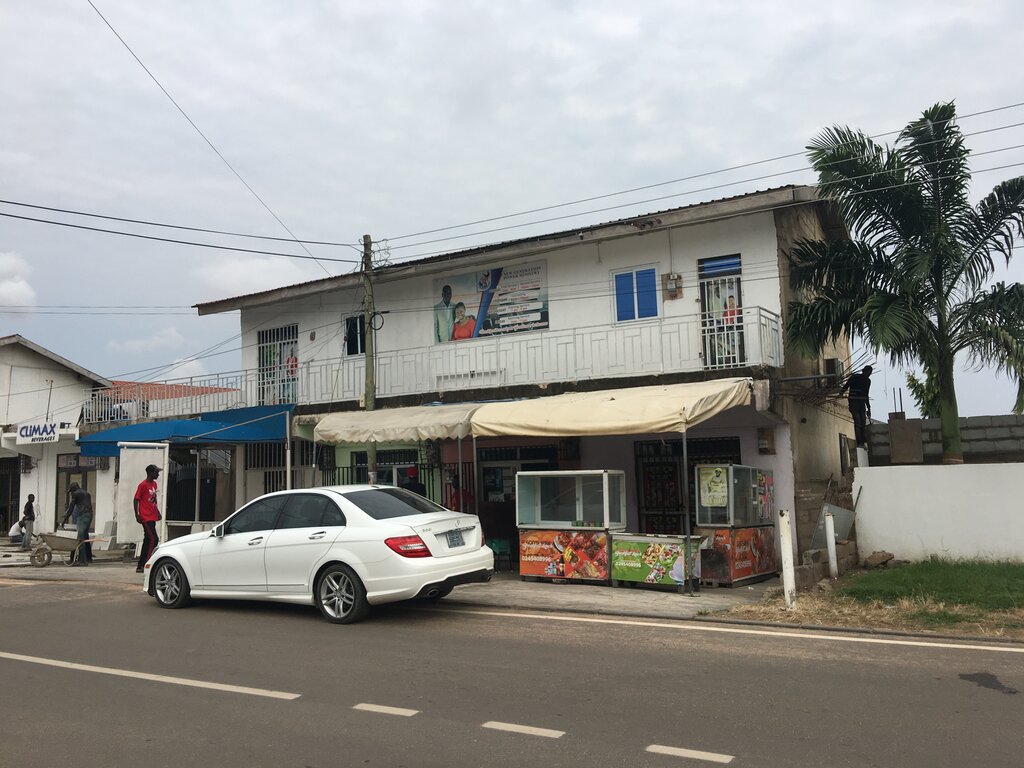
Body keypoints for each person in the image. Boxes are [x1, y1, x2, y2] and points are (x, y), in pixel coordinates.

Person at [134, 464, 163, 573]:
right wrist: (137, 514)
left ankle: (140, 565)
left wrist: (158, 512)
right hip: (145, 517)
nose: (158, 474)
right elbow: (136, 499)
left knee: (147, 540)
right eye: (156, 472)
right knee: (153, 539)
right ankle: (147, 563)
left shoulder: (154, 484)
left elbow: (153, 500)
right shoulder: (142, 485)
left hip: (152, 516)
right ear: (150, 473)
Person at [839, 365, 873, 446]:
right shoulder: (855, 377)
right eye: (868, 372)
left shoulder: (868, 381)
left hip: (861, 402)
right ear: (864, 371)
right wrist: (841, 392)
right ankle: (859, 441)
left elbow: (866, 394)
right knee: (858, 421)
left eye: (870, 373)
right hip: (854, 401)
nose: (868, 374)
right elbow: (846, 386)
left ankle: (863, 439)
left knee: (863, 421)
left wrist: (868, 407)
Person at [61, 483, 94, 566]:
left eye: (71, 491)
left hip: (82, 516)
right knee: (85, 536)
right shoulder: (86, 493)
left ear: (74, 488)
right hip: (89, 515)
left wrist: (64, 520)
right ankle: (89, 558)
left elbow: (71, 507)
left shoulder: (76, 493)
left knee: (80, 539)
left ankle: (82, 561)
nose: (71, 493)